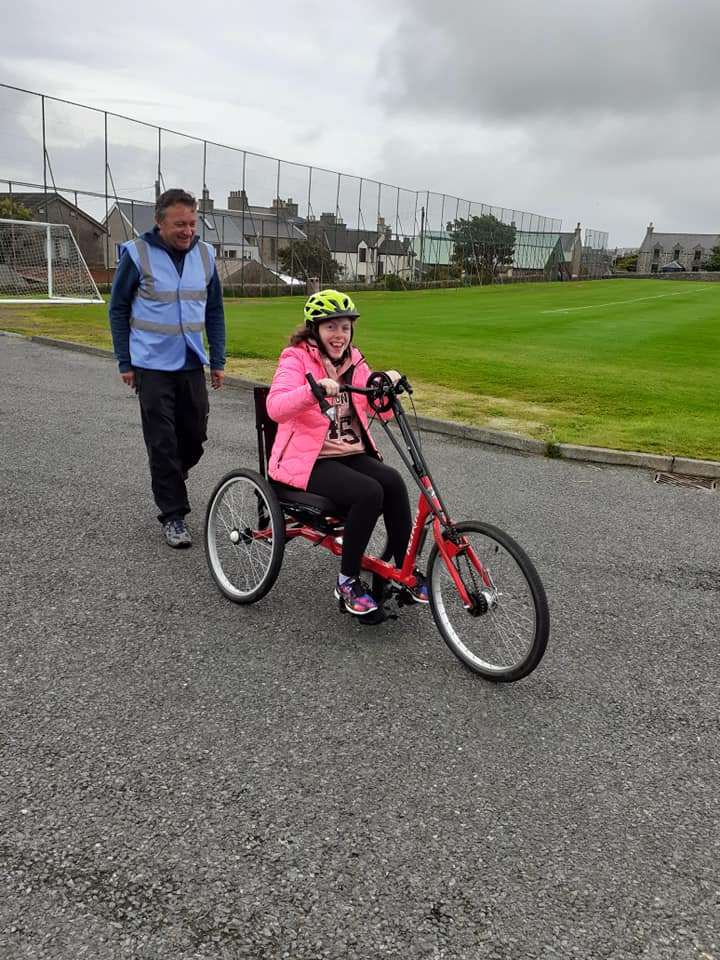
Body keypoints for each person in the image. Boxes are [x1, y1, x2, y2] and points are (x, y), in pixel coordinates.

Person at [266, 289, 427, 615]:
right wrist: (311, 392)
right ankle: (347, 581)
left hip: (349, 452)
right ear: (315, 329)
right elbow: (275, 407)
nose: (339, 335)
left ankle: (402, 571)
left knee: (393, 482)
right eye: (331, 327)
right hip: (309, 459)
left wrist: (385, 390)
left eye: (345, 328)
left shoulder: (356, 360)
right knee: (368, 492)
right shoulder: (295, 358)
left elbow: (375, 409)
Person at [109, 188, 226, 548]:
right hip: (151, 365)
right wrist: (125, 362)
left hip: (191, 361)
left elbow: (214, 311)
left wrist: (217, 359)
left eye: (192, 223)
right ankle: (173, 515)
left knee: (195, 436)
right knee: (161, 442)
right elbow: (118, 310)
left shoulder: (205, 255)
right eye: (179, 224)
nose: (187, 230)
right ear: (159, 223)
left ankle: (174, 474)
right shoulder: (136, 254)